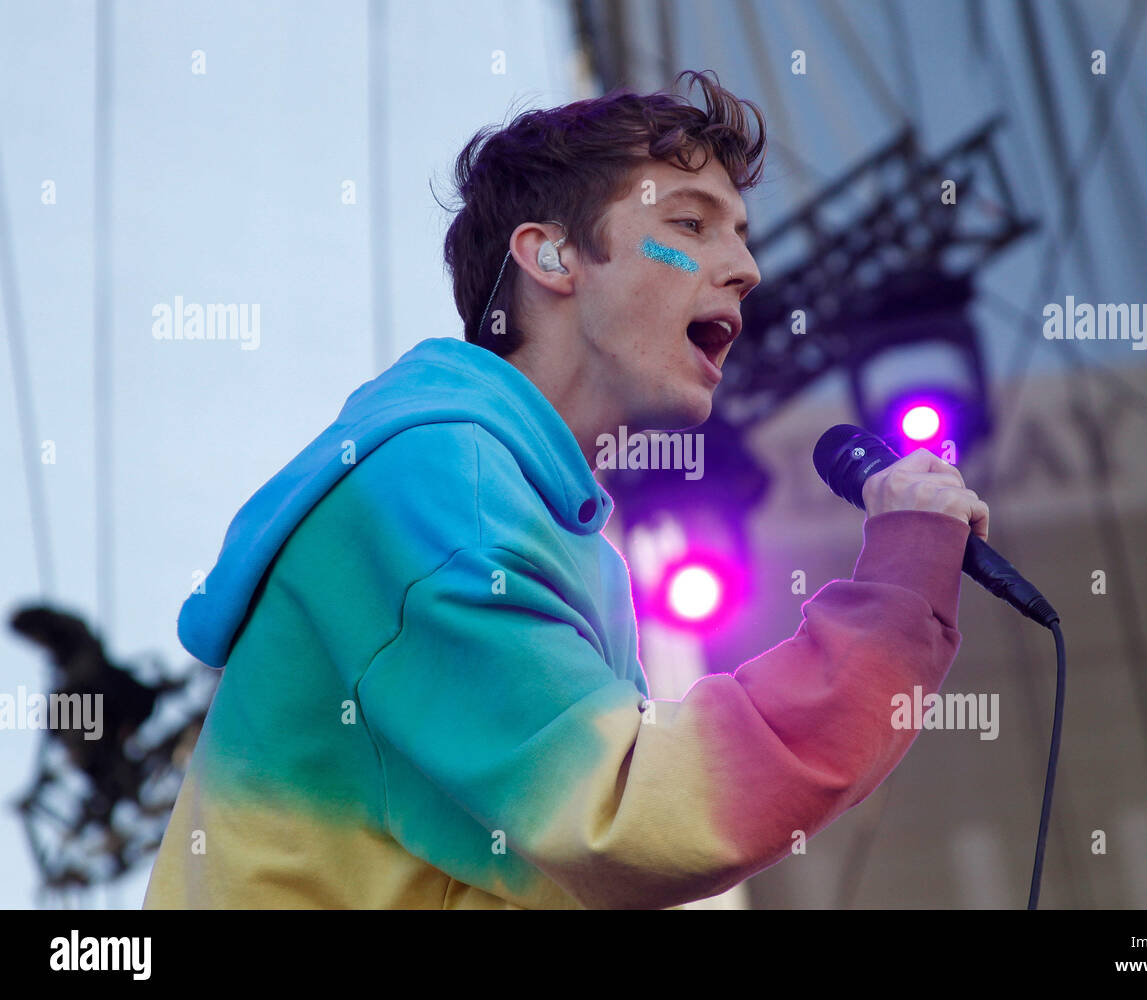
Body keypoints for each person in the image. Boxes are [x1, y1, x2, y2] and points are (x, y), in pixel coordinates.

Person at [142, 70, 987, 910]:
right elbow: (630, 813)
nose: (747, 269)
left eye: (740, 234)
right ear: (548, 255)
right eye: (689, 223)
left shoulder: (543, 525)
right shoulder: (440, 490)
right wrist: (898, 590)